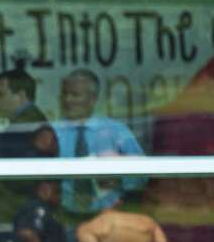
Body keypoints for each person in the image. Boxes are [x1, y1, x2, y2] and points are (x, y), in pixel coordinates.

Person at [53, 69, 145, 213]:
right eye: (65, 94)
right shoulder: (52, 133)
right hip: (62, 214)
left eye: (75, 95)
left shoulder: (115, 131)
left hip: (110, 214)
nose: (68, 100)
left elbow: (142, 172)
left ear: (93, 99)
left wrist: (120, 180)